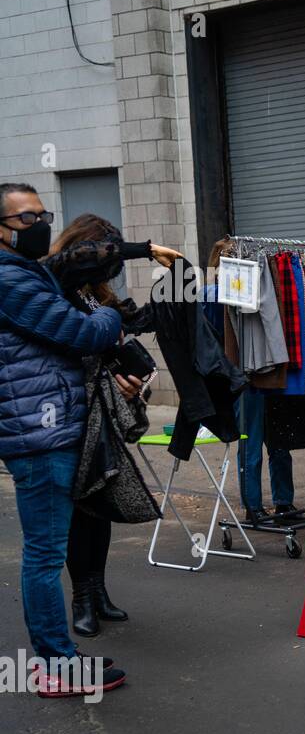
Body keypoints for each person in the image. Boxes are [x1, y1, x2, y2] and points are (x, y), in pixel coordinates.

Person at [0, 184, 125, 695]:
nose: (41, 225)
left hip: (42, 427)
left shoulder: (23, 272)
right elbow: (83, 334)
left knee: (46, 551)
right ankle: (56, 665)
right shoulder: (10, 279)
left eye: (43, 214)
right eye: (27, 219)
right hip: (40, 434)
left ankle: (54, 655)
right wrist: (113, 314)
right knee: (46, 555)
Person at [43, 213, 180, 637]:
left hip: (100, 412)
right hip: (67, 414)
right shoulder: (56, 283)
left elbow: (142, 321)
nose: (109, 267)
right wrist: (143, 249)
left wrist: (179, 281)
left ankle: (97, 592)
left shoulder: (95, 295)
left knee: (97, 507)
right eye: (105, 254)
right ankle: (81, 599)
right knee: (76, 512)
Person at [205, 238, 297, 526]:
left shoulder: (217, 291)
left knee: (265, 440)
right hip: (247, 374)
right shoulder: (214, 293)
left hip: (248, 371)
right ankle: (265, 504)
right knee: (261, 441)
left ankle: (264, 504)